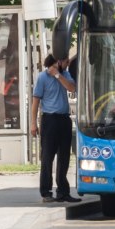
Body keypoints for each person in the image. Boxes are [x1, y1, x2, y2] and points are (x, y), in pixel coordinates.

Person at [30, 53, 80, 203]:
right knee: (47, 157)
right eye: (65, 62)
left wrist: (58, 75)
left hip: (64, 119)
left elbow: (72, 88)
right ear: (58, 61)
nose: (67, 64)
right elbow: (35, 102)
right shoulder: (42, 77)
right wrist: (33, 123)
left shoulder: (65, 74)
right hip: (49, 119)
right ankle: (46, 191)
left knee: (64, 157)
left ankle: (63, 191)